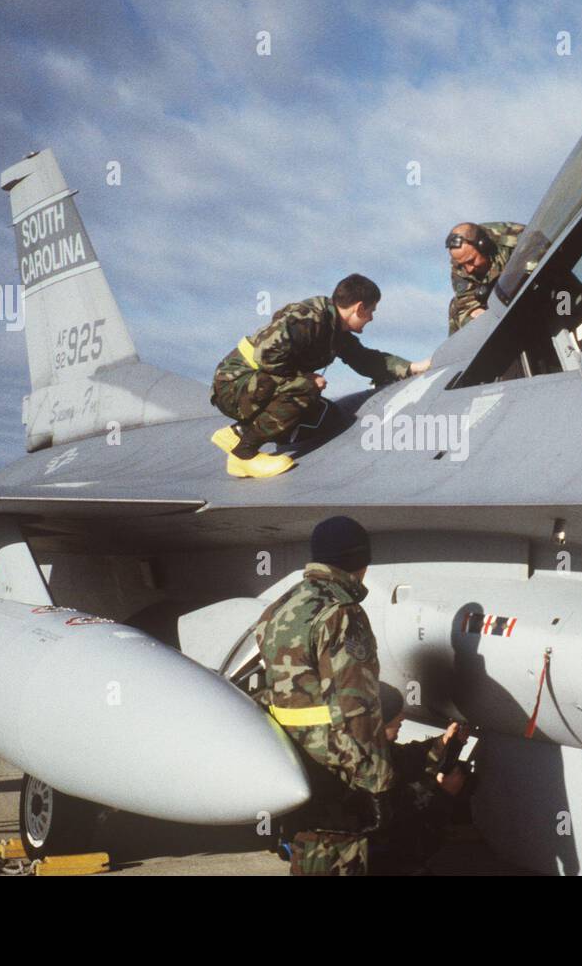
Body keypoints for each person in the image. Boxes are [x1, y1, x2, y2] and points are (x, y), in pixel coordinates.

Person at [254, 516, 393, 874]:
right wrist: (374, 782)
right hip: (338, 772)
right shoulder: (342, 612)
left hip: (292, 760)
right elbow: (354, 704)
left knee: (307, 858)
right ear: (358, 561)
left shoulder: (280, 606)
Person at [210, 274, 431, 478]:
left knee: (327, 417)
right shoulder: (308, 318)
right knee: (308, 388)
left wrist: (412, 368)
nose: (371, 318)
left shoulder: (334, 329)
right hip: (235, 384)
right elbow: (267, 354)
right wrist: (306, 378)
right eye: (372, 311)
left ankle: (241, 432)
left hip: (257, 384)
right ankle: (243, 452)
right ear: (359, 307)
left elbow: (364, 359)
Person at [368, 685, 472, 875]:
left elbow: (407, 758)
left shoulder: (364, 750)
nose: (402, 718)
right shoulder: (369, 769)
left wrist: (444, 743)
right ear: (377, 720)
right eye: (395, 713)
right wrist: (444, 795)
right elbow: (408, 828)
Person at [445, 221, 525, 335]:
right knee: (454, 308)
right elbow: (465, 301)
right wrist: (475, 313)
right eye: (463, 264)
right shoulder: (459, 264)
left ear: (483, 246)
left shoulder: (514, 238)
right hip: (495, 301)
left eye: (471, 261)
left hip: (525, 286)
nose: (469, 270)